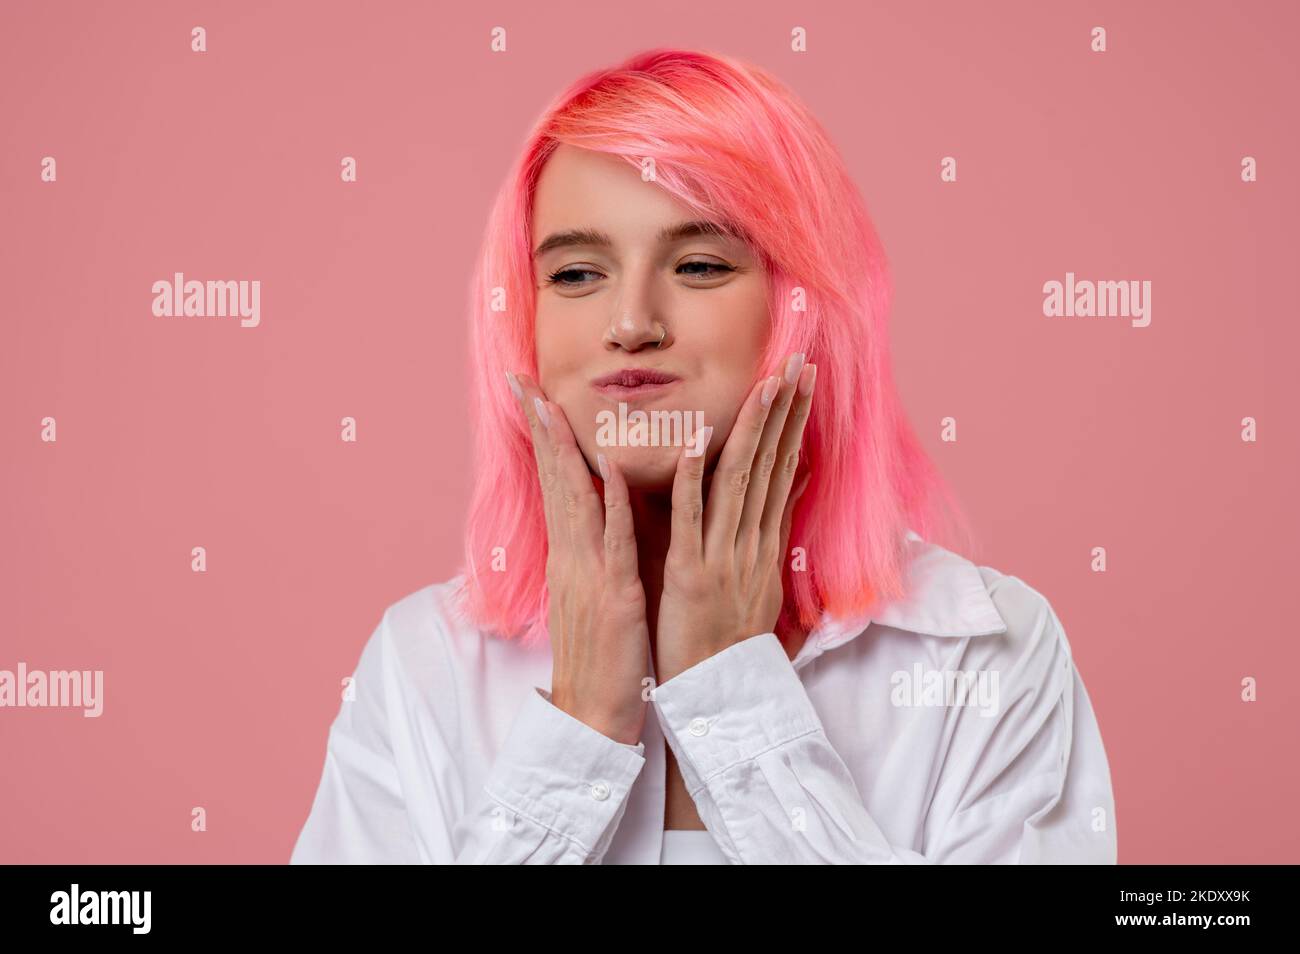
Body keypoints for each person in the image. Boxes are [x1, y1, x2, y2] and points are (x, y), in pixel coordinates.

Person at [290, 48, 1117, 864]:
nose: (631, 322)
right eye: (576, 273)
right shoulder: (422, 662)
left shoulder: (984, 648)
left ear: (806, 307)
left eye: (699, 265)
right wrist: (578, 730)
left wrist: (733, 691)